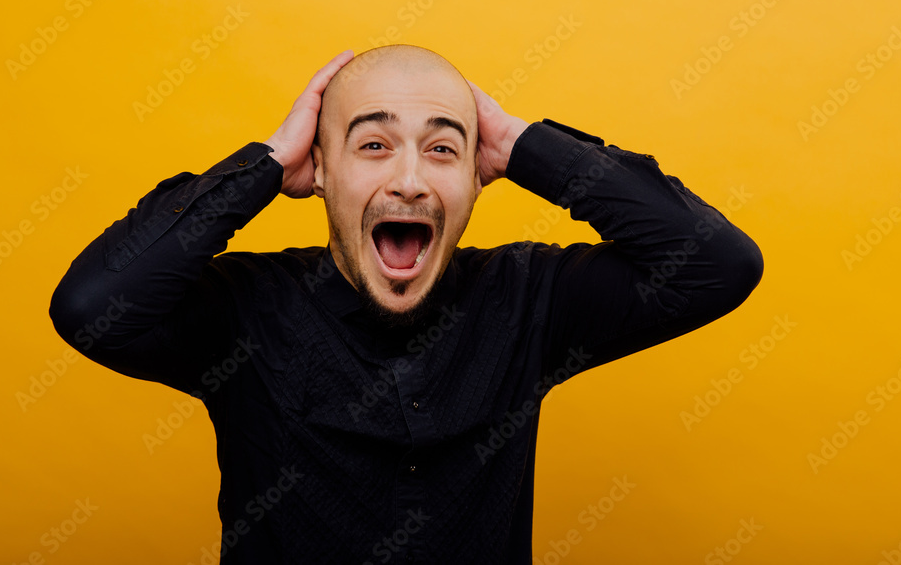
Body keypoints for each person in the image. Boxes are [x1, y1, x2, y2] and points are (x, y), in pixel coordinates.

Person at [49, 44, 763, 563]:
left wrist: (521, 143)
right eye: (374, 145)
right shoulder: (244, 310)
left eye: (444, 151)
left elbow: (716, 263)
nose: (411, 180)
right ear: (321, 169)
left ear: (480, 174)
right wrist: (265, 163)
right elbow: (90, 306)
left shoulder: (529, 301)